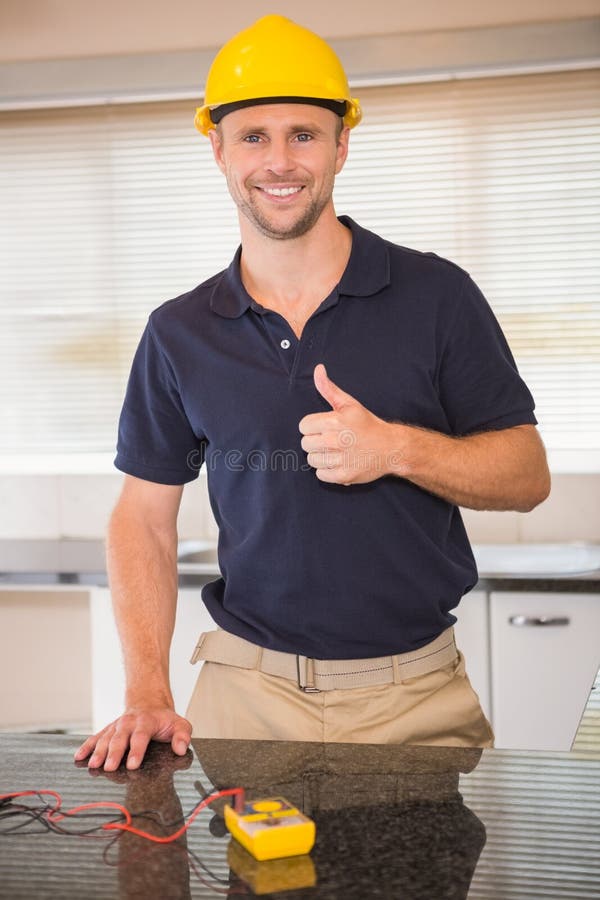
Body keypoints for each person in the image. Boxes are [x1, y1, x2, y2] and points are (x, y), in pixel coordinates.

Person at [75, 15, 550, 772]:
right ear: (218, 150)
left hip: (414, 697)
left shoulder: (437, 296)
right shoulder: (179, 331)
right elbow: (143, 519)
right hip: (243, 693)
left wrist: (396, 448)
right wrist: (146, 691)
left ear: (341, 145)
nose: (279, 161)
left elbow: (526, 475)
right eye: (253, 137)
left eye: (304, 134)